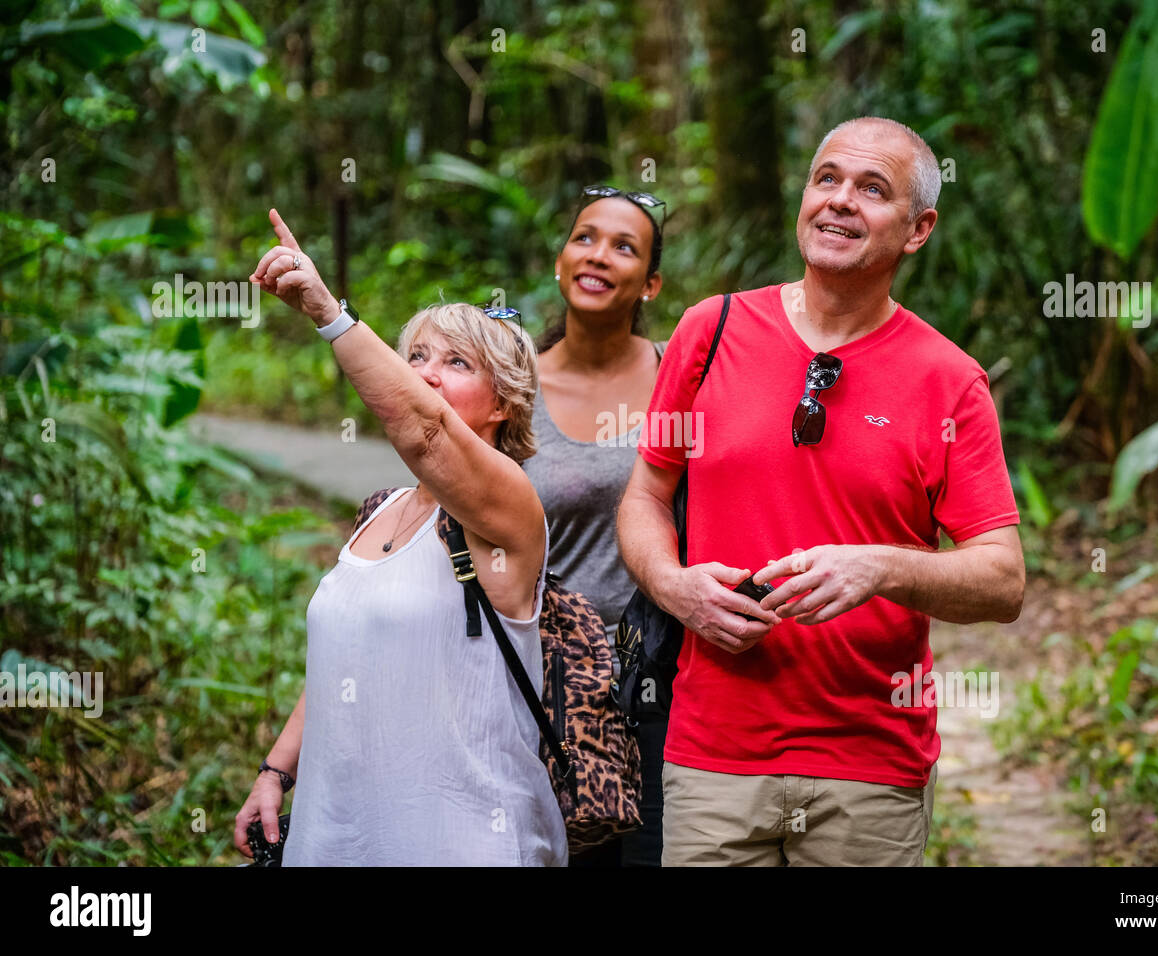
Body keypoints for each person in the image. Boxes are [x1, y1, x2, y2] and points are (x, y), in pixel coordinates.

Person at [616, 117, 1025, 866]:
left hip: (868, 768)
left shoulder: (949, 381)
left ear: (917, 228)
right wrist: (673, 584)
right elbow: (646, 493)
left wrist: (881, 568)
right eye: (827, 179)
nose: (840, 201)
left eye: (873, 189)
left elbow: (1002, 580)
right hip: (714, 754)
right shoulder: (710, 332)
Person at [233, 209, 566, 866]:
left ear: (503, 404)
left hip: (464, 840)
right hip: (340, 837)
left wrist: (330, 313)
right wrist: (275, 772)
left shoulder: (509, 505)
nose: (425, 371)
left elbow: (426, 432)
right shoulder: (381, 512)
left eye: (455, 361)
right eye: (415, 355)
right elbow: (348, 657)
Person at [523, 185, 669, 866]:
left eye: (624, 246)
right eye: (585, 237)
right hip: (540, 689)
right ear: (560, 261)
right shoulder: (512, 382)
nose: (599, 255)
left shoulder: (682, 371)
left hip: (659, 685)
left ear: (651, 283)